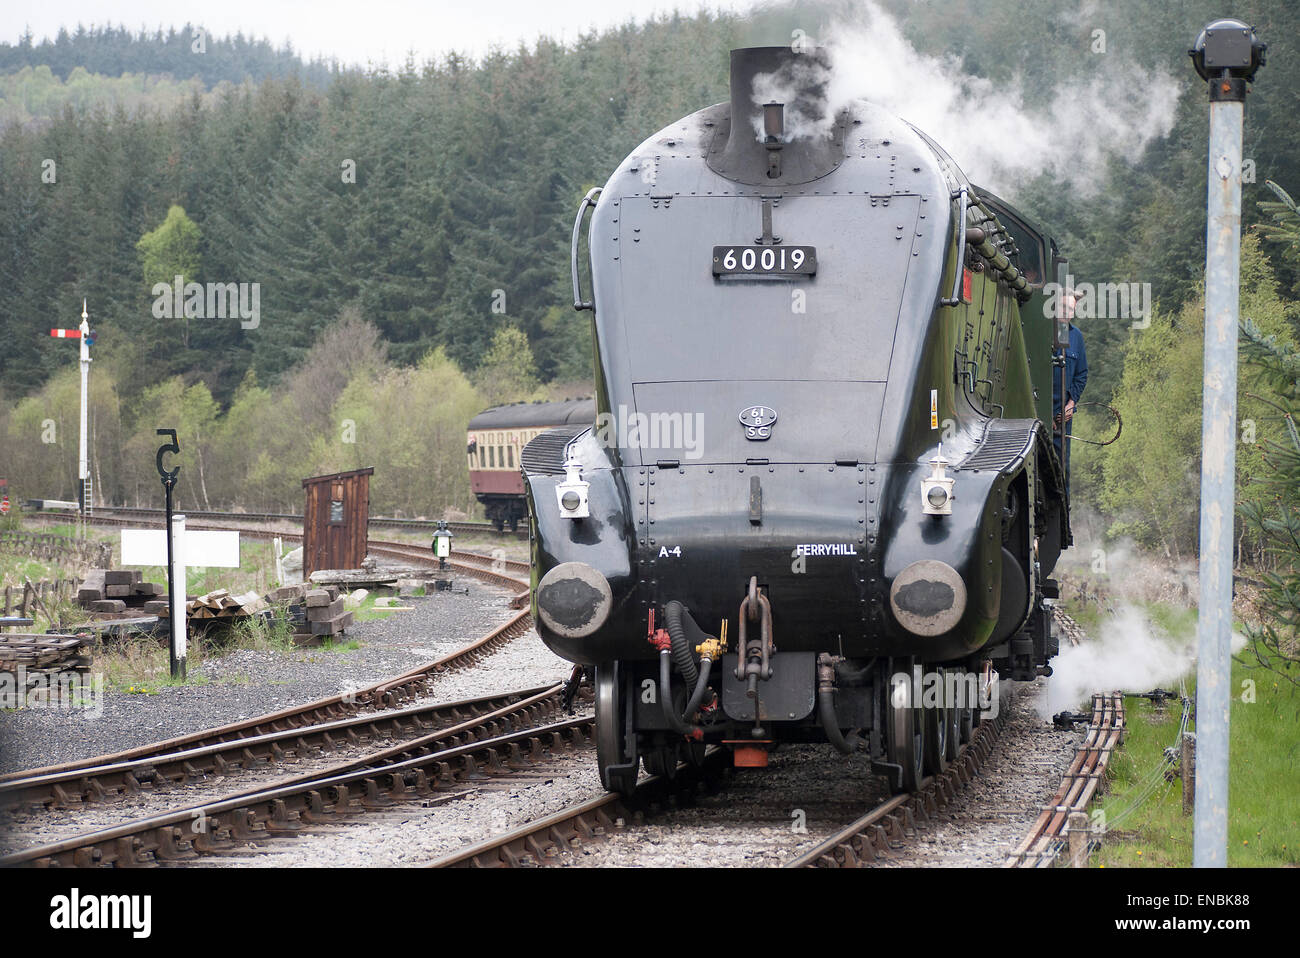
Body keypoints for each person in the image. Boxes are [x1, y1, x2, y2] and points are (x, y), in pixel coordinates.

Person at [1052, 290, 1087, 491]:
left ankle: (1063, 517)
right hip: (1041, 415)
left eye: (1072, 309)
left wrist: (1071, 403)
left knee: (1062, 468)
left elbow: (1082, 374)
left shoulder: (1076, 337)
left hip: (1064, 417)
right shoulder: (1045, 334)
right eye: (1066, 308)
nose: (1069, 313)